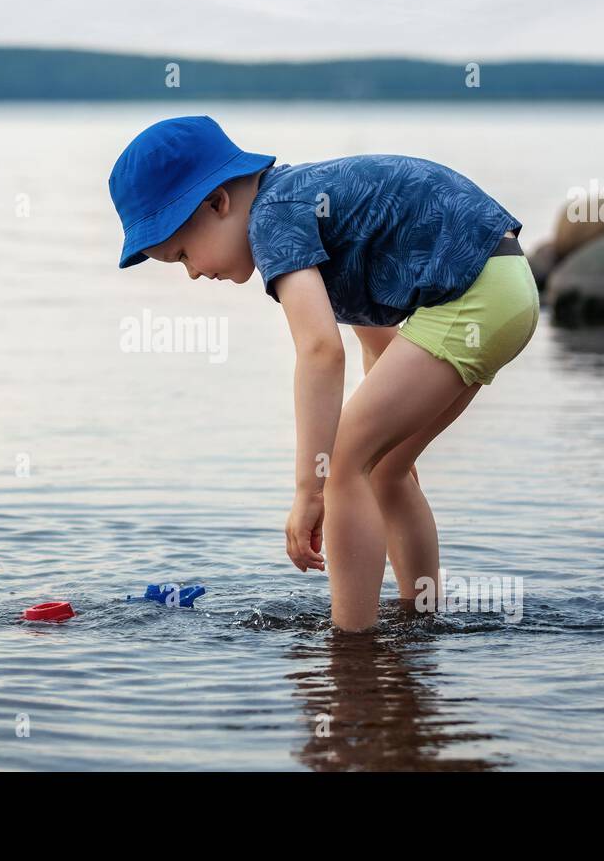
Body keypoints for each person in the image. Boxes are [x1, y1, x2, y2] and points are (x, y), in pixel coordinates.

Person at [109, 115, 539, 632]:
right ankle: (420, 622)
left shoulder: (272, 217)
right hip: (503, 284)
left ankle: (352, 645)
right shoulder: (303, 202)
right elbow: (375, 340)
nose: (195, 272)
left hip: (474, 296)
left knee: (342, 466)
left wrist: (310, 488)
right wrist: (376, 443)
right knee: (382, 469)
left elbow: (319, 351)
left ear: (218, 202)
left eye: (181, 254)